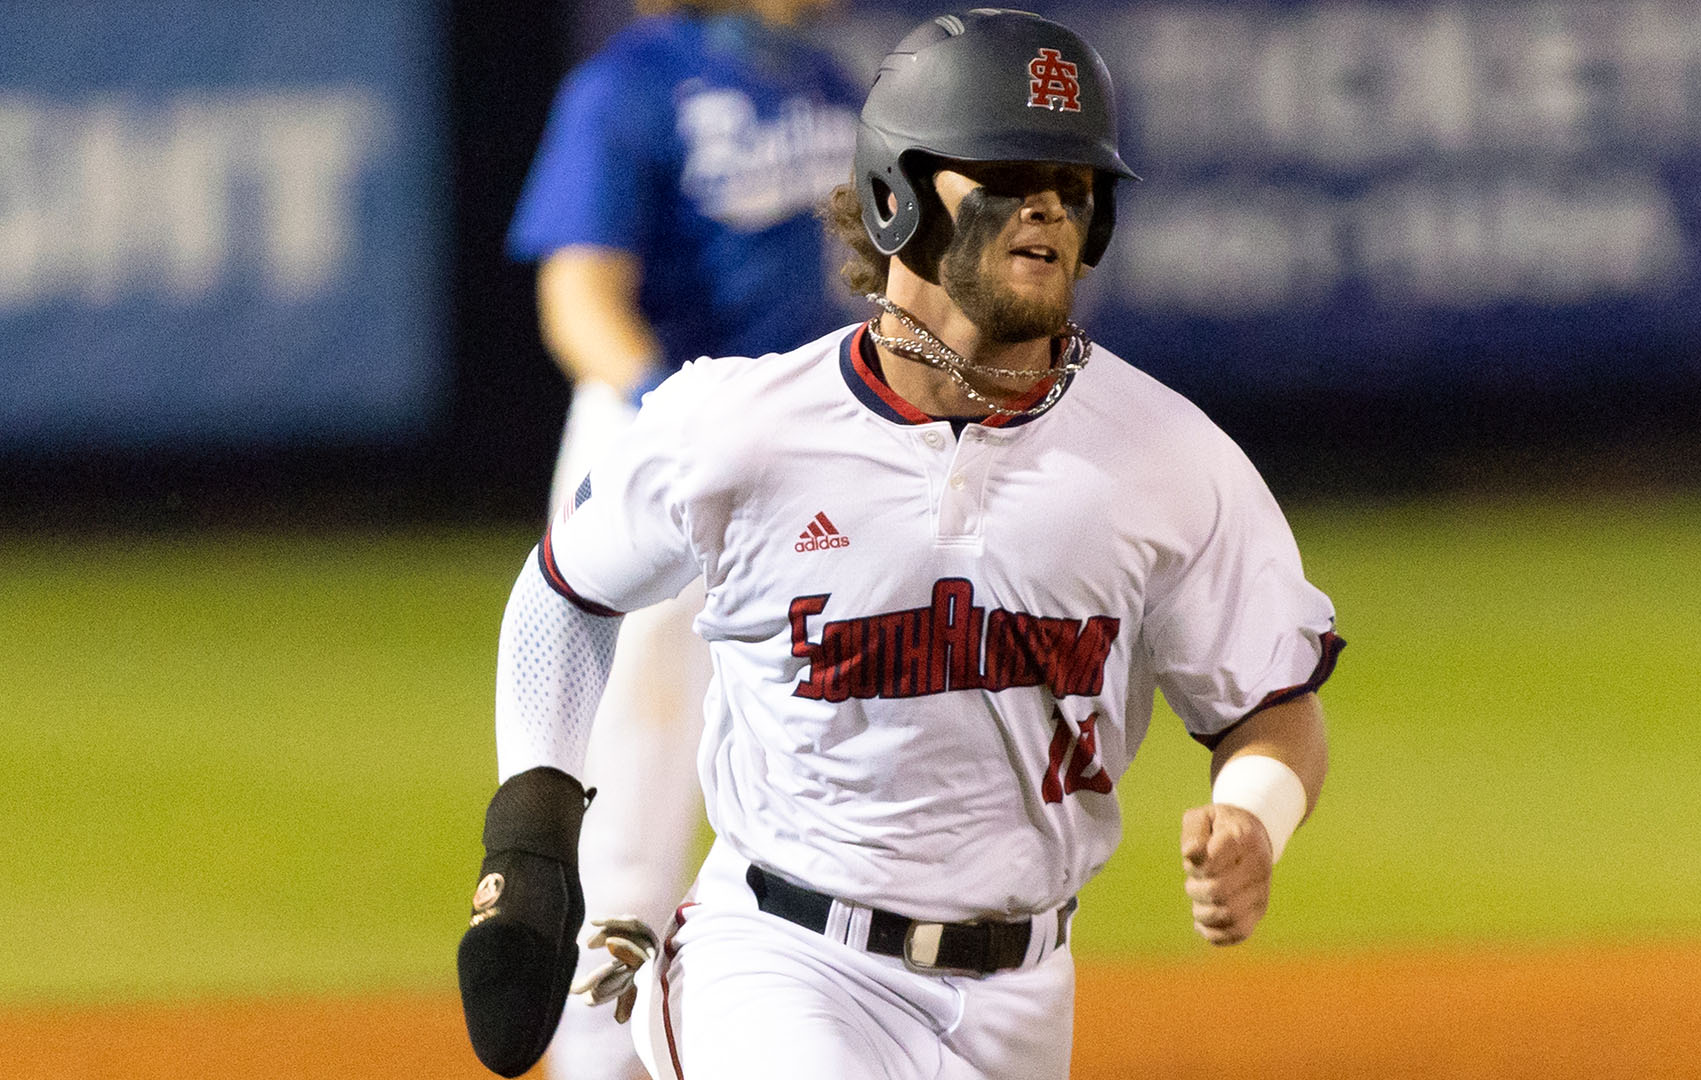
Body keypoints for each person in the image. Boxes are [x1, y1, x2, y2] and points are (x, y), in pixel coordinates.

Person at [459, 10, 1344, 1080]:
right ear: (896, 196)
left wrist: (1254, 816)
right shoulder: (740, 426)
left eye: (1073, 181)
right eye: (1008, 172)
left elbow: (1271, 707)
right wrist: (532, 825)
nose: (1049, 206)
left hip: (1025, 995)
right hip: (781, 964)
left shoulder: (1168, 458)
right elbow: (565, 591)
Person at [501, 2, 860, 1077]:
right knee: (628, 805)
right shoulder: (631, 85)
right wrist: (679, 423)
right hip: (660, 449)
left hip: (820, 468)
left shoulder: (829, 86)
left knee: (824, 784)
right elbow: (577, 297)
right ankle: (593, 1062)